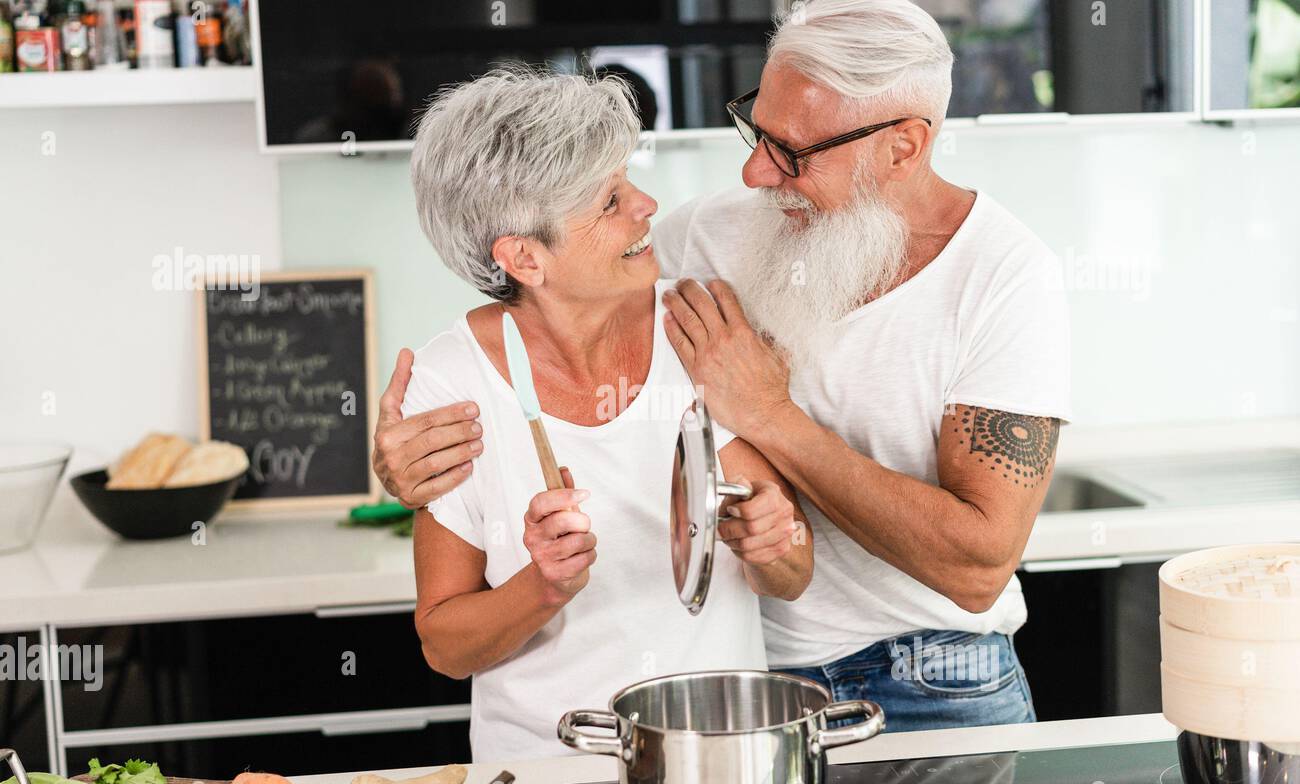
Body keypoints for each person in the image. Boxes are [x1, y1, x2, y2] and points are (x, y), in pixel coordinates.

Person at [377, 0, 1070, 734]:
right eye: (755, 129)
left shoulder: (1004, 277)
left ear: (902, 147)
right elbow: (552, 287)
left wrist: (770, 414)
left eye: (792, 151)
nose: (754, 171)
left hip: (926, 681)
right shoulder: (708, 240)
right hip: (740, 692)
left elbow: (977, 567)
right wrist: (405, 461)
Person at [400, 67, 813, 762]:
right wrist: (543, 586)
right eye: (610, 201)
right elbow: (444, 645)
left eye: (631, 180)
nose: (646, 204)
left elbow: (792, 572)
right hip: (540, 775)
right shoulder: (451, 381)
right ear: (524, 258)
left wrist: (774, 541)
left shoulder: (697, 329)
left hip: (712, 762)